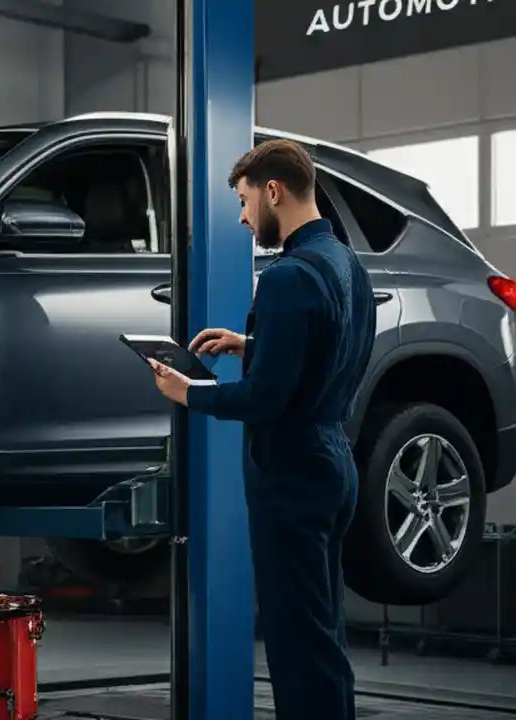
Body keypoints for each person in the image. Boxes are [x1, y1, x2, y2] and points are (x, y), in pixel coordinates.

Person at [148, 139, 376, 720]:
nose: (245, 218)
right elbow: (333, 348)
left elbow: (263, 398)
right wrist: (253, 343)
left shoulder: (285, 278)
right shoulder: (348, 264)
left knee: (296, 649)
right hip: (333, 465)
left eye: (246, 201)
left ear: (273, 190)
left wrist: (188, 391)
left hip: (292, 475)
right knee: (322, 638)